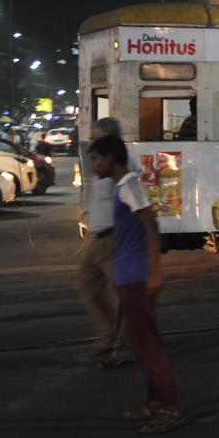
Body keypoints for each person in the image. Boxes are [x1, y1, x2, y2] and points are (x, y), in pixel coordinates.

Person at [88, 134, 183, 433]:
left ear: (110, 158)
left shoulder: (129, 184)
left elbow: (151, 225)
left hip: (138, 276)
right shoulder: (121, 186)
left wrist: (154, 272)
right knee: (141, 347)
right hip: (128, 274)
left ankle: (167, 408)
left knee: (148, 346)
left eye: (96, 159)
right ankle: (154, 403)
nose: (93, 165)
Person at [78, 117, 134, 368]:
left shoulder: (122, 166)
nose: (92, 140)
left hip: (112, 238)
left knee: (121, 294)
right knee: (90, 287)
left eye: (96, 136)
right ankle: (108, 335)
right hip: (97, 239)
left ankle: (125, 347)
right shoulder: (101, 164)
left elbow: (139, 209)